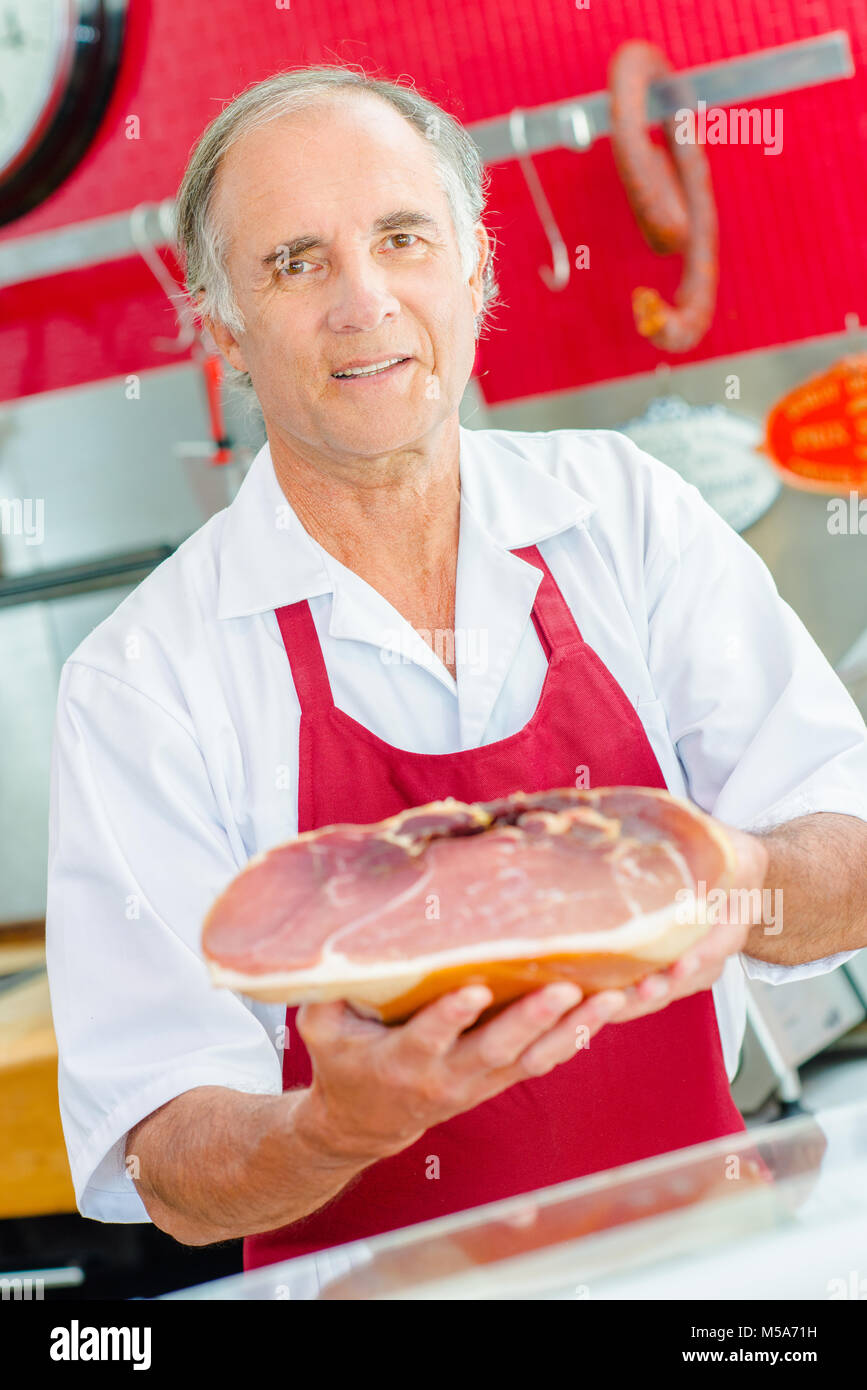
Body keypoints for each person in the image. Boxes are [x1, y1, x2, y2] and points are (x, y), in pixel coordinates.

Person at [46, 65, 867, 1271]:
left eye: (401, 237)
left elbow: (848, 861)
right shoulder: (143, 681)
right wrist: (337, 1129)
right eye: (295, 262)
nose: (363, 301)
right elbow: (167, 1159)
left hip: (707, 1267)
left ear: (476, 262)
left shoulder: (632, 515)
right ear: (220, 327)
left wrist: (731, 878)